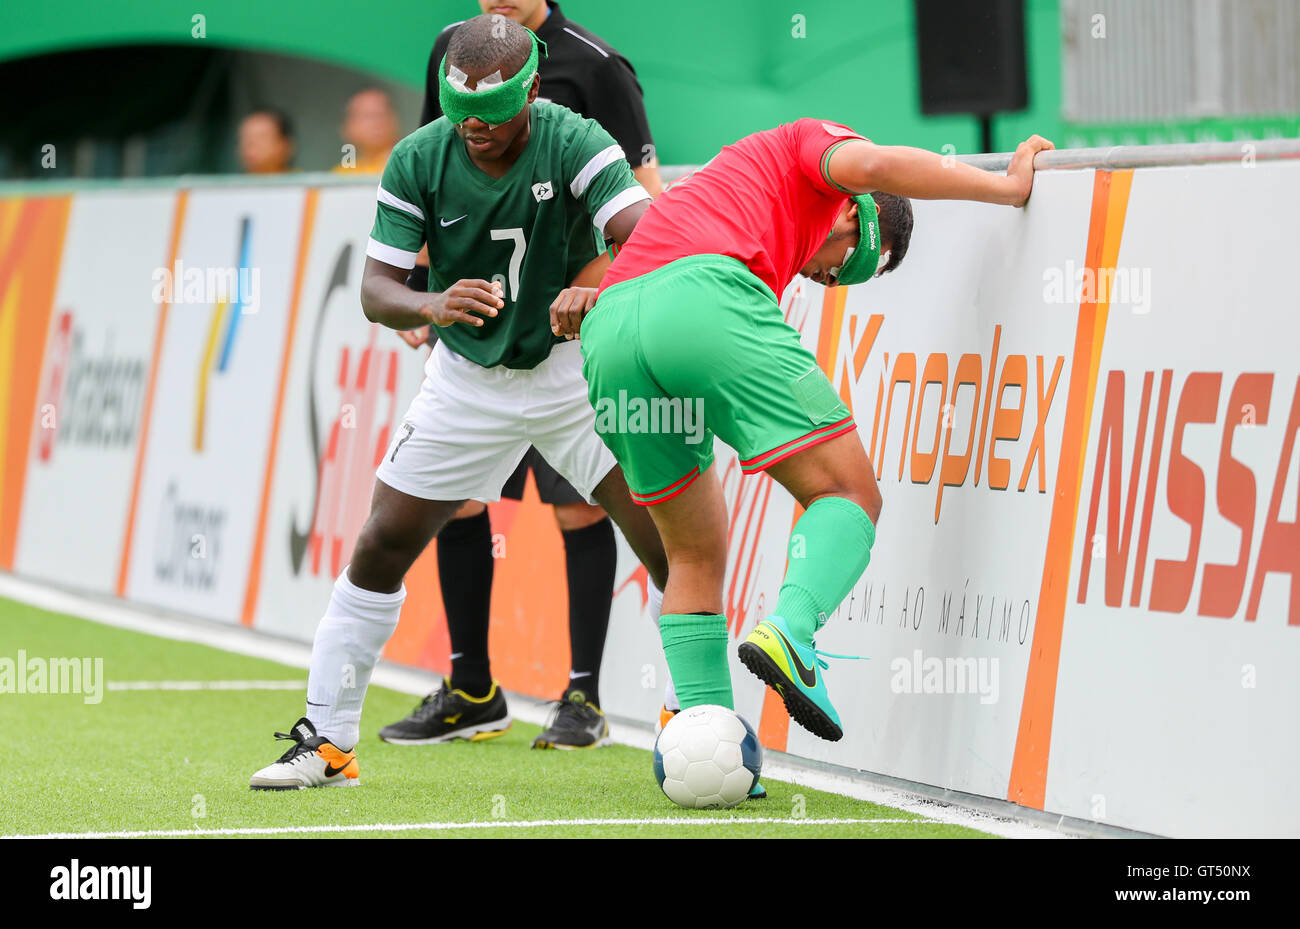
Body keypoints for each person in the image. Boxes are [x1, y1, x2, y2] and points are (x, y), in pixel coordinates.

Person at [249, 14, 669, 789]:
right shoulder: (417, 155)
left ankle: (692, 720)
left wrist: (594, 283)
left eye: (495, 113)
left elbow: (649, 236)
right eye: (460, 109)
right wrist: (432, 303)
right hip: (468, 379)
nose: (474, 128)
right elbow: (378, 291)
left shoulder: (576, 138)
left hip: (572, 373)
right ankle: (330, 741)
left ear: (534, 90)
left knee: (671, 545)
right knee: (380, 543)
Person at [580, 120, 1054, 742]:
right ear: (851, 222)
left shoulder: (733, 183)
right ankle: (792, 631)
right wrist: (1008, 187)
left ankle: (707, 742)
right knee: (850, 493)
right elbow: (877, 167)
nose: (818, 278)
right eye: (837, 272)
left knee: (691, 554)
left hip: (609, 329)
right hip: (703, 300)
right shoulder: (809, 148)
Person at [383, 0, 666, 750]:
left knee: (580, 508)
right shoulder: (455, 46)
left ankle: (584, 698)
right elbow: (430, 168)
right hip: (475, 339)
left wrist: (596, 291)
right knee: (461, 508)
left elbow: (647, 201)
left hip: (566, 336)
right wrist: (421, 293)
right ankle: (471, 687)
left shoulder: (597, 67)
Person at [334, 88, 401, 174]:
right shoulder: (341, 175)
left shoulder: (407, 166)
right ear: (346, 127)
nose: (376, 122)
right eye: (367, 116)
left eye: (381, 114)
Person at [237, 108, 294, 174]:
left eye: (261, 136)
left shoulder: (303, 182)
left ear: (285, 145)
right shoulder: (233, 183)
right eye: (245, 137)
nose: (250, 143)